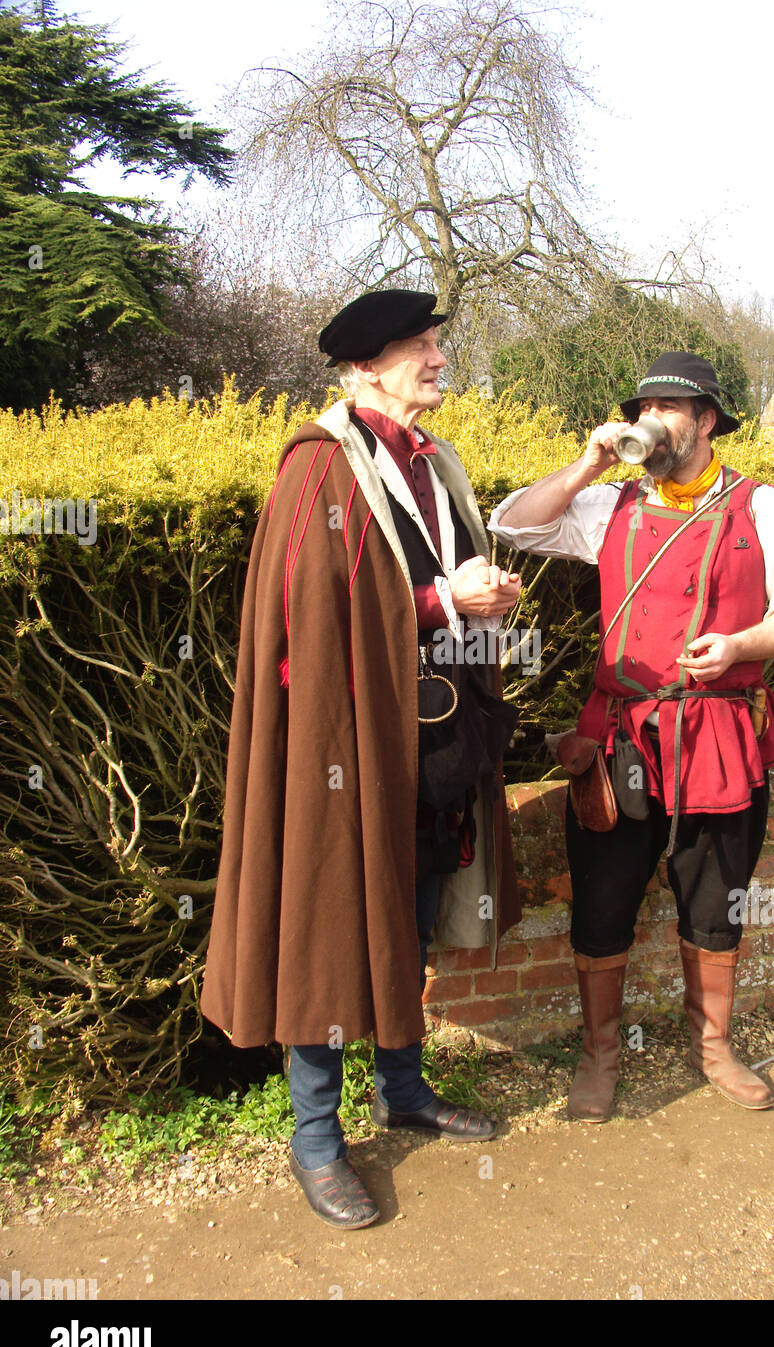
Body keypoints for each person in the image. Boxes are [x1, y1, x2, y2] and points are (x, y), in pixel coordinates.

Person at [201, 289, 522, 1228]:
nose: (435, 356)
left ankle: (404, 1091)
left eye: (433, 341)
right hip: (343, 747)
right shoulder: (320, 467)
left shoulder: (436, 462)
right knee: (332, 924)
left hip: (434, 739)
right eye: (416, 346)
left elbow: (433, 579)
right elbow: (307, 623)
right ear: (363, 368)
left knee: (410, 915)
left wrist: (480, 597)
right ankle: (315, 1142)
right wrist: (440, 605)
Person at [488, 352, 774, 1121]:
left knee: (714, 904)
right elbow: (510, 522)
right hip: (619, 740)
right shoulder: (607, 504)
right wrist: (585, 464)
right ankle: (600, 1053)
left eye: (670, 407)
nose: (652, 419)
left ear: (706, 420)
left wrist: (742, 645)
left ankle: (711, 1047)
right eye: (643, 405)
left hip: (719, 736)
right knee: (602, 904)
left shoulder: (760, 507)